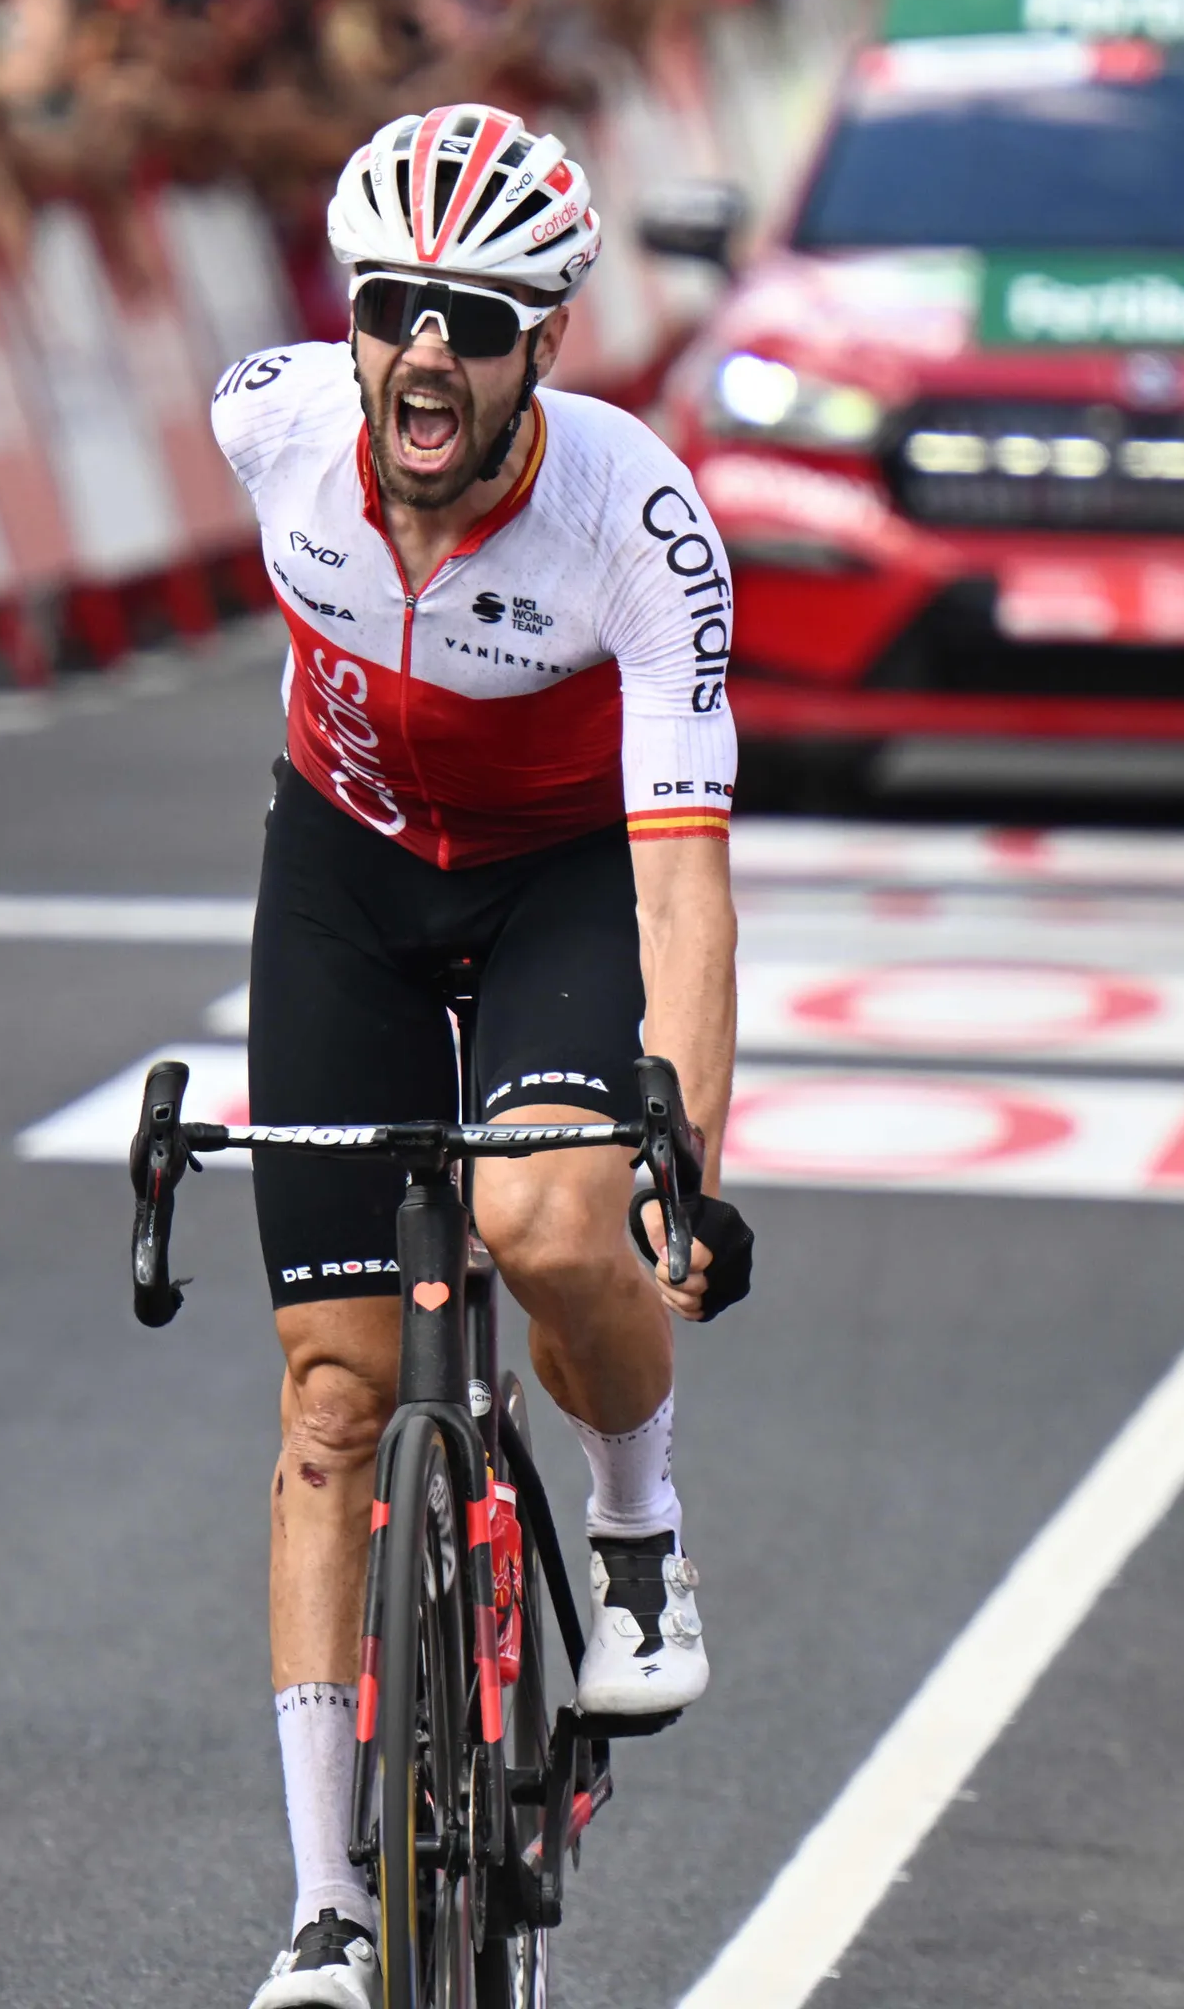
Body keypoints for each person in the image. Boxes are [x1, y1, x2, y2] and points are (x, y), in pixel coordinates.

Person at [209, 104, 756, 2009]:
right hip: (341, 877)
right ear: (346, 320)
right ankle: (323, 1909)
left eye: (478, 318)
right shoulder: (264, 423)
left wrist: (681, 1140)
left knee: (544, 1221)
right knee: (331, 1402)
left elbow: (685, 889)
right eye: (394, 306)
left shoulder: (638, 518)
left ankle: (637, 1532)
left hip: (563, 889)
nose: (426, 350)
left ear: (546, 344)